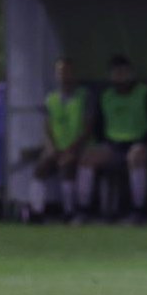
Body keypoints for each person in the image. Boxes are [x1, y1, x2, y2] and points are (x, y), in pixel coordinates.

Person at [78, 54, 147, 223]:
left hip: (140, 143)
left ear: (131, 74)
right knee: (88, 157)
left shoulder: (145, 93)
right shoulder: (106, 96)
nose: (120, 76)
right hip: (114, 145)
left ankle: (138, 210)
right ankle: (83, 210)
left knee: (135, 156)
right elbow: (99, 125)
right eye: (116, 73)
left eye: (124, 72)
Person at [28, 57, 93, 222]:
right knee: (40, 168)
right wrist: (52, 148)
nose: (63, 76)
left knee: (67, 166)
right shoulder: (51, 99)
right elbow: (47, 127)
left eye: (67, 71)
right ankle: (36, 211)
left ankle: (70, 211)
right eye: (60, 72)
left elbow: (88, 127)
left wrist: (71, 150)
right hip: (58, 148)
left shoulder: (83, 96)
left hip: (78, 147)